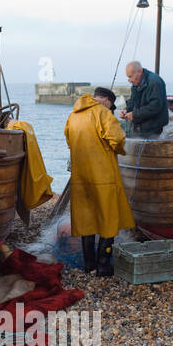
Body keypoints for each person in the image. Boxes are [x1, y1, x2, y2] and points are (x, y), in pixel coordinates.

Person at [64, 89, 135, 277]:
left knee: (87, 219)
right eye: (111, 105)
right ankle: (103, 266)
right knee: (108, 218)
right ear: (105, 100)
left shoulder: (73, 115)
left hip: (81, 178)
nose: (110, 107)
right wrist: (118, 150)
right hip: (103, 176)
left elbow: (69, 140)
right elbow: (118, 139)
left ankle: (90, 266)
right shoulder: (103, 113)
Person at [120, 60, 169, 137]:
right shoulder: (136, 82)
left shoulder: (155, 82)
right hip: (139, 127)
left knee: (149, 149)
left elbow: (155, 106)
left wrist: (134, 115)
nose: (129, 80)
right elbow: (133, 100)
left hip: (152, 129)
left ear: (139, 71)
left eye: (130, 76)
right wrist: (127, 110)